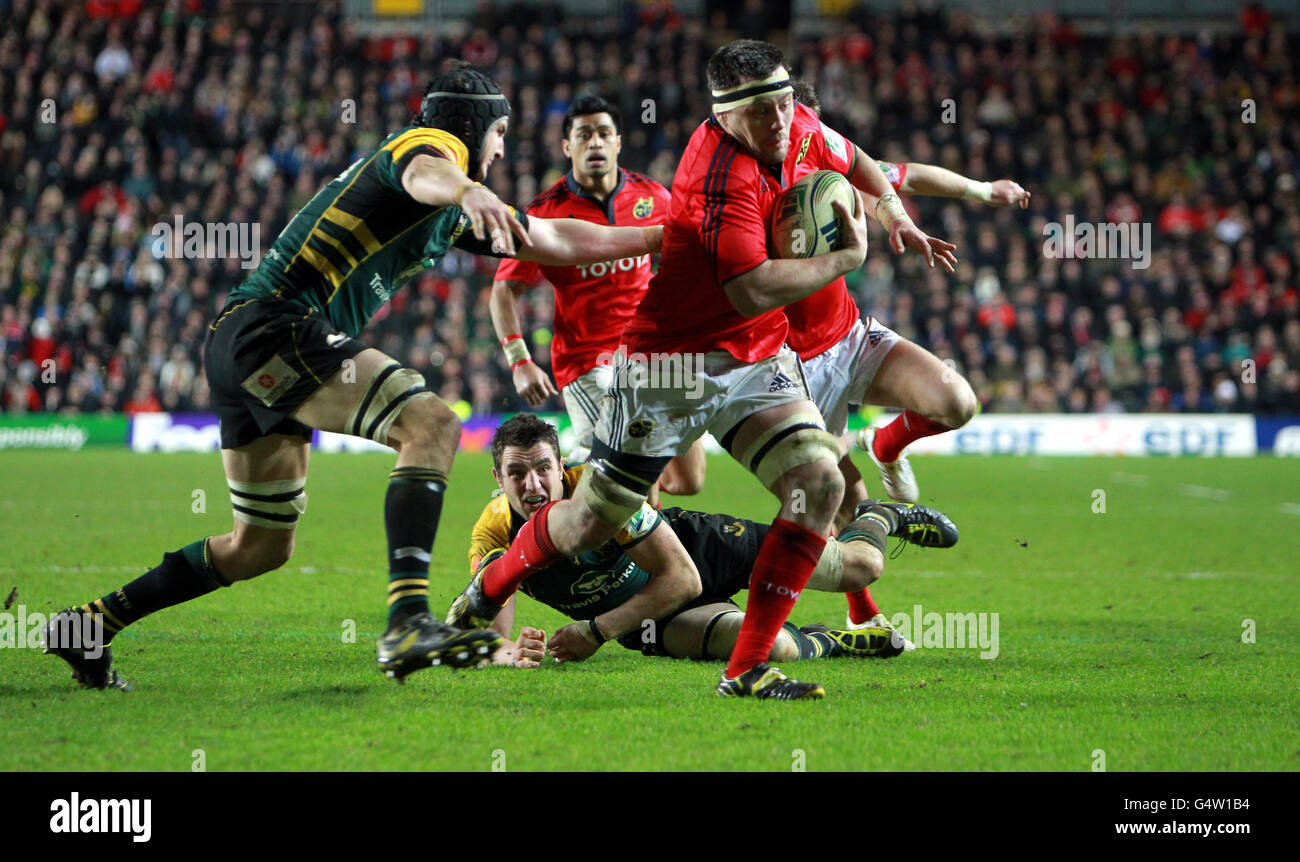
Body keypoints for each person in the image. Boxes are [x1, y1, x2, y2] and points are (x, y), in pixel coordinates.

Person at [43, 62, 664, 690]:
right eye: (499, 132)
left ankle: (89, 625)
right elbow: (427, 171)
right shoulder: (432, 149)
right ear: (473, 127)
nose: (501, 148)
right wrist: (466, 188)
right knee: (433, 425)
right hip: (279, 328)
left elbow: (556, 239)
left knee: (258, 546)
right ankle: (407, 621)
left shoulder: (452, 210)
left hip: (245, 345)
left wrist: (659, 237)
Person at [451, 40, 957, 701]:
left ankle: (745, 668)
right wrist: (845, 255)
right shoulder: (717, 174)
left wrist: (896, 214)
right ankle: (491, 584)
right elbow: (749, 288)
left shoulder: (790, 125)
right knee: (588, 520)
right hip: (669, 364)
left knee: (818, 482)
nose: (779, 121)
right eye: (761, 111)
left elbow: (856, 160)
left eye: (783, 102)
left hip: (756, 359)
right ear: (722, 114)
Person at [787, 79, 1030, 629]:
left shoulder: (833, 160)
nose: (804, 137)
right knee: (838, 500)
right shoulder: (746, 185)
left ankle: (888, 443)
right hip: (788, 367)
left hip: (850, 337)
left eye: (809, 127)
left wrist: (984, 191)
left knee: (957, 401)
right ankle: (863, 616)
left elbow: (909, 175)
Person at [469, 415, 957, 668]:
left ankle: (877, 517)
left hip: (695, 549)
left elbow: (681, 578)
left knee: (861, 568)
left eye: (542, 470)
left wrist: (594, 631)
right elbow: (490, 621)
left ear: (561, 468)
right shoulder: (492, 532)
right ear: (498, 477)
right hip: (650, 617)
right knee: (776, 650)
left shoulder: (599, 496)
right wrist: (508, 653)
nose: (532, 485)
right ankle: (847, 641)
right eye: (517, 473)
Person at [490, 95, 705, 499]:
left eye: (604, 133)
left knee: (687, 482)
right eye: (584, 135)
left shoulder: (654, 198)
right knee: (633, 477)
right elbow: (504, 289)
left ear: (618, 143)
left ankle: (576, 466)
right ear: (566, 147)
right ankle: (636, 555)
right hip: (588, 361)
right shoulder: (545, 213)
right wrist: (519, 359)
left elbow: (689, 264)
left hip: (652, 354)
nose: (595, 143)